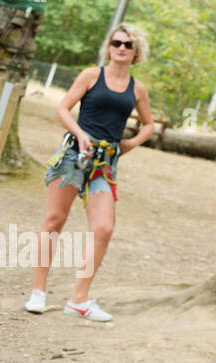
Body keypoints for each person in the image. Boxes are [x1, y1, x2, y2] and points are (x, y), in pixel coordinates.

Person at [26, 23, 155, 321]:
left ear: (136, 53)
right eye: (116, 42)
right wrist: (80, 133)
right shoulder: (91, 76)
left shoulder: (138, 89)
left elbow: (148, 124)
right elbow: (61, 109)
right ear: (109, 46)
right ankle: (38, 292)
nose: (121, 48)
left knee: (103, 229)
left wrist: (131, 143)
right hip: (74, 154)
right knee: (54, 221)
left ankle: (79, 300)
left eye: (128, 44)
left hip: (105, 164)